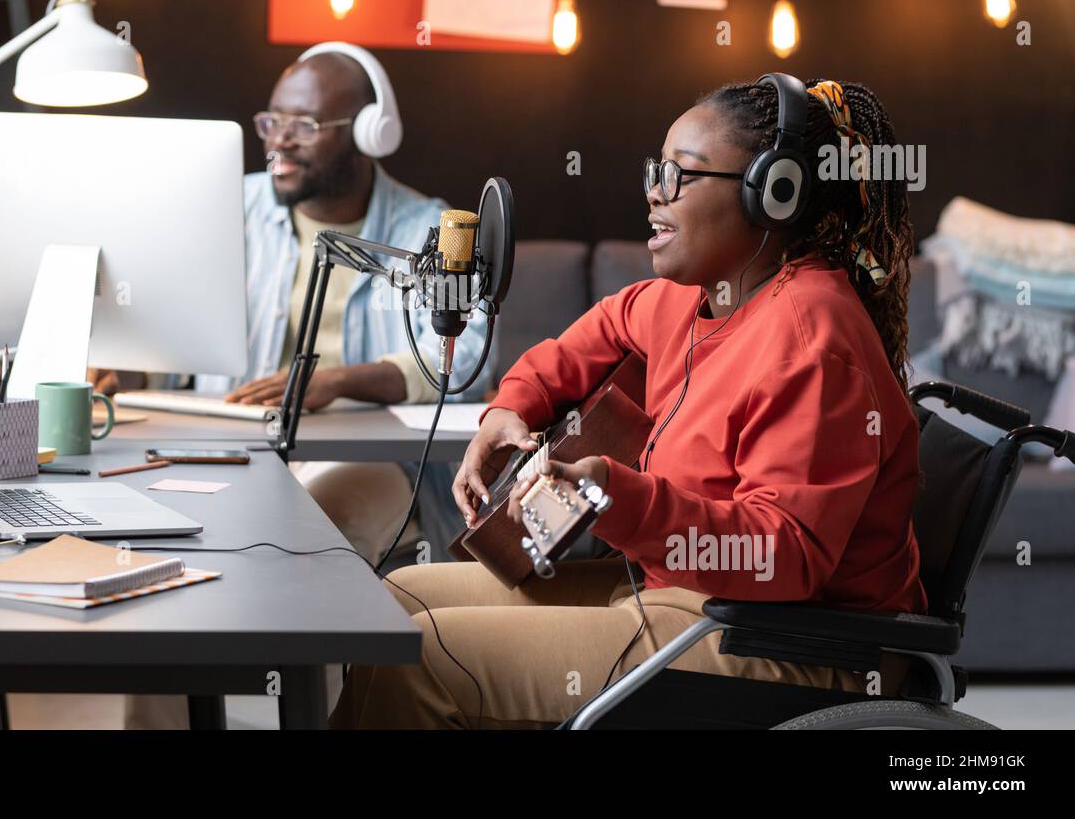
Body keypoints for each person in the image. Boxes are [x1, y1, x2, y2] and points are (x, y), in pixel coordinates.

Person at [331, 76, 925, 729]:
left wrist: (615, 494)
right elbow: (592, 337)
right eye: (657, 172)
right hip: (687, 596)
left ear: (772, 196)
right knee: (391, 602)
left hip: (791, 640)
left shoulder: (811, 334)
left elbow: (780, 557)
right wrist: (512, 409)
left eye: (682, 176)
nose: (654, 193)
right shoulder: (693, 294)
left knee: (420, 659)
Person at [124, 44, 493, 729]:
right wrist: (123, 354)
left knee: (309, 537)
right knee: (161, 562)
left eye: (303, 125)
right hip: (229, 450)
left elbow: (464, 359)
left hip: (368, 463)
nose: (279, 141)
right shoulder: (225, 206)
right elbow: (154, 309)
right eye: (272, 122)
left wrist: (343, 380)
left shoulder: (424, 231)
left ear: (366, 134)